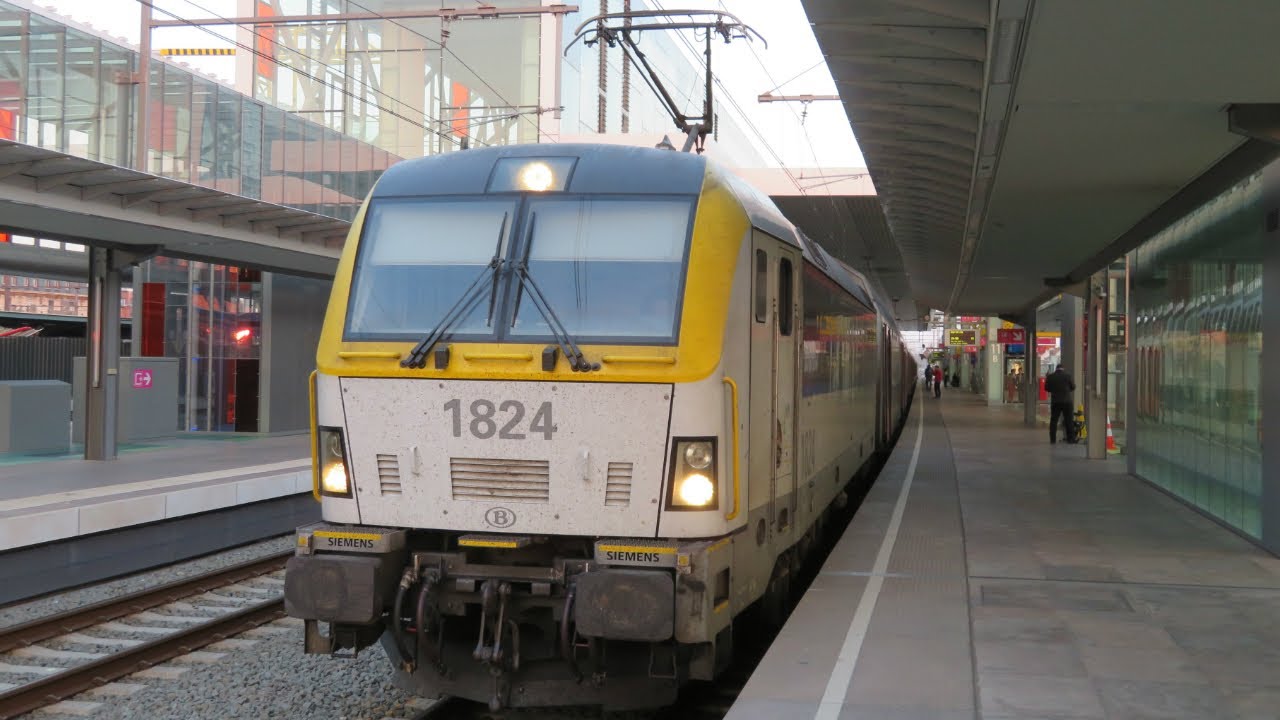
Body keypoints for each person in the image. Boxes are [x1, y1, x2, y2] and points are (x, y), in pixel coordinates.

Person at [1044, 364, 1076, 444]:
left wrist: (1054, 390)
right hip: (1067, 401)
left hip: (1055, 402)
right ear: (1063, 368)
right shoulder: (1067, 376)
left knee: (1054, 421)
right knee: (1069, 420)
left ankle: (1053, 439)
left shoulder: (1051, 376)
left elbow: (1046, 388)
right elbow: (1073, 387)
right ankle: (1070, 439)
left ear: (1056, 369)